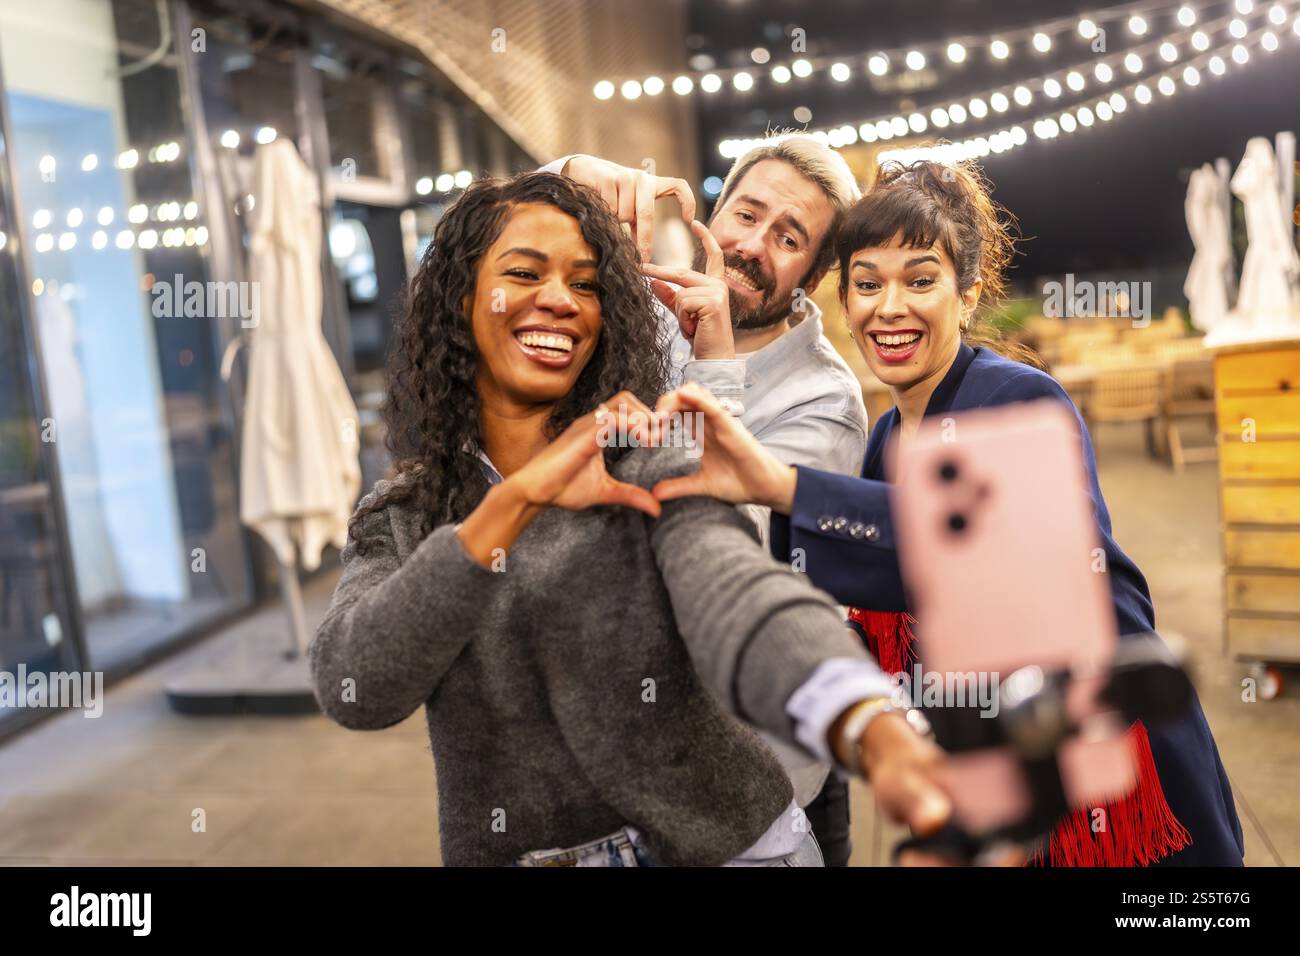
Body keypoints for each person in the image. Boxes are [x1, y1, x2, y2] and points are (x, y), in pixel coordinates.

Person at [308, 170, 952, 867]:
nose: (559, 300)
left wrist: (861, 713)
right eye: (524, 273)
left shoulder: (643, 459)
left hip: (730, 846)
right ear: (462, 298)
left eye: (585, 284)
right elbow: (357, 686)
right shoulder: (407, 513)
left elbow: (740, 592)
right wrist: (511, 505)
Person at [651, 160, 1246, 866]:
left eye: (921, 280)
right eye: (867, 284)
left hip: (1117, 788)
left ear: (965, 297)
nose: (889, 307)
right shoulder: (884, 440)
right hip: (1002, 779)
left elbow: (991, 550)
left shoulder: (1019, 398)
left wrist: (784, 486)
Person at [548, 137, 871, 863]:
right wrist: (566, 177)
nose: (753, 245)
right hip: (623, 767)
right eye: (745, 214)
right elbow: (465, 265)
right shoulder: (647, 313)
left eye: (788, 237)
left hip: (758, 790)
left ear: (814, 276)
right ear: (711, 213)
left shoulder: (826, 402)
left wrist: (715, 370)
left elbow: (725, 565)